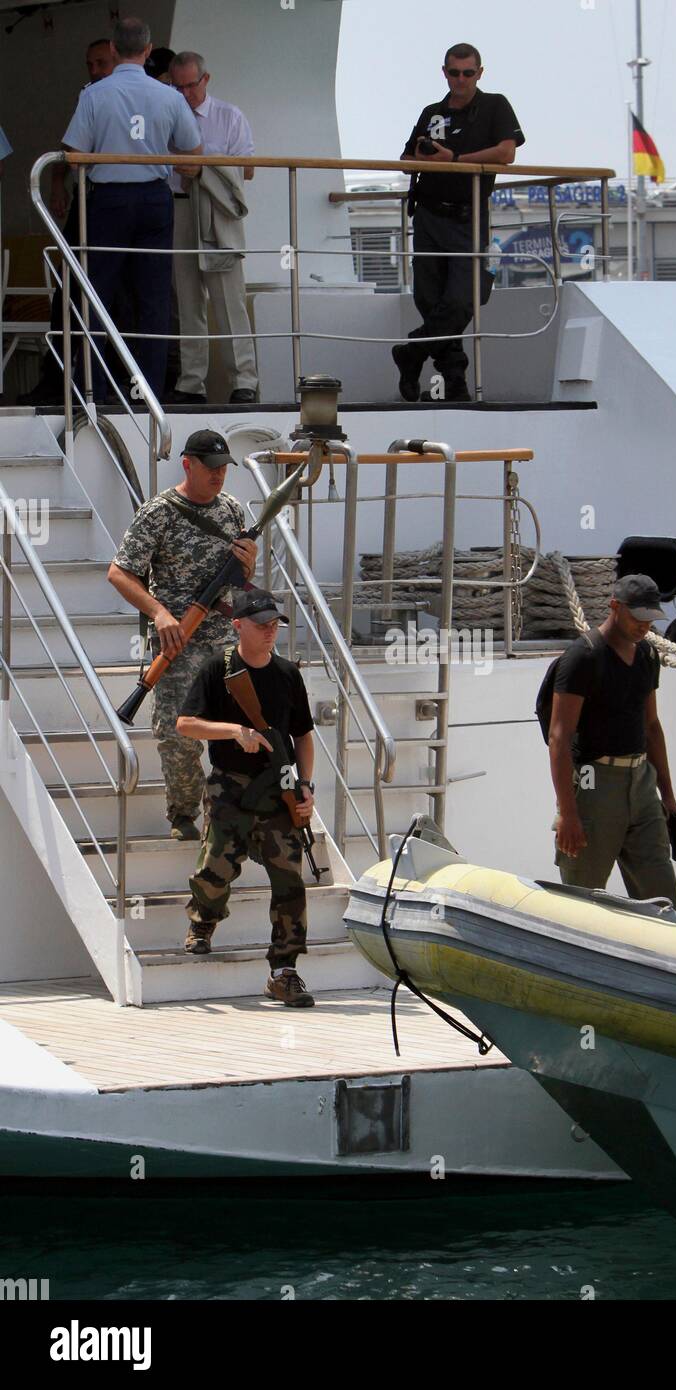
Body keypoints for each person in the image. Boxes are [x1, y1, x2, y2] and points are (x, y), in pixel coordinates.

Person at [107, 428, 257, 839]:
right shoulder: (160, 512)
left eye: (223, 469)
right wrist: (159, 613)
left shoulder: (230, 510)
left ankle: (228, 812)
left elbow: (241, 580)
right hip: (178, 639)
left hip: (224, 636)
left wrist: (249, 564)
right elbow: (118, 572)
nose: (218, 476)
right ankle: (184, 813)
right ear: (188, 464)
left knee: (234, 728)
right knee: (178, 731)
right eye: (210, 468)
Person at [177, 589, 316, 1008]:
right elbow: (185, 724)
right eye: (262, 625)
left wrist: (306, 786)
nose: (271, 631)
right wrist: (234, 732)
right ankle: (203, 921)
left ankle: (284, 971)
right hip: (230, 786)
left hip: (279, 788)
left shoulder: (288, 674)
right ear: (238, 625)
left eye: (276, 624)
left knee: (290, 881)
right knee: (216, 867)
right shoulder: (216, 670)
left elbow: (303, 735)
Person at [61, 17, 202, 401]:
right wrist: (159, 156)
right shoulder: (169, 96)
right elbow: (193, 156)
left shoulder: (94, 94)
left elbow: (73, 156)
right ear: (148, 49)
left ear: (111, 49)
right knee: (154, 300)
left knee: (98, 294)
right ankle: (149, 390)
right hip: (155, 200)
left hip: (108, 201)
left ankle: (96, 389)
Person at [393, 43, 524, 403]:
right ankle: (455, 382)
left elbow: (507, 152)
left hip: (469, 217)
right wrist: (423, 158)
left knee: (462, 301)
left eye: (468, 73)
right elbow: (406, 161)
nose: (461, 80)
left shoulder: (495, 105)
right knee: (430, 300)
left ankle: (413, 352)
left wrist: (456, 159)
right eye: (454, 73)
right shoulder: (431, 113)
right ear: (445, 72)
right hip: (430, 216)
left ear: (480, 73)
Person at [548, 574, 676, 909]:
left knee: (664, 901)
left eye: (651, 619)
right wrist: (568, 813)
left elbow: (652, 727)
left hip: (641, 783)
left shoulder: (648, 655)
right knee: (583, 900)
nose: (644, 626)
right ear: (614, 607)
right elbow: (559, 738)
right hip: (594, 786)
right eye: (638, 617)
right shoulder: (583, 658)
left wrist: (668, 796)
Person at [19, 40, 116, 408]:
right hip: (86, 200)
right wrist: (58, 182)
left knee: (113, 294)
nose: (93, 69)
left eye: (101, 62)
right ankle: (56, 377)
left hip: (114, 203)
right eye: (89, 63)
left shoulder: (123, 95)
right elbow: (71, 146)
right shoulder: (88, 95)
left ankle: (108, 381)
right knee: (68, 289)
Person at [165, 50, 258, 406]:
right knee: (188, 300)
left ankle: (244, 381)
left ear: (206, 79)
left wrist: (203, 169)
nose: (186, 93)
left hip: (217, 211)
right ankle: (191, 383)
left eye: (191, 85)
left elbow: (247, 169)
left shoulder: (229, 115)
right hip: (180, 209)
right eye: (179, 87)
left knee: (228, 299)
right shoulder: (167, 115)